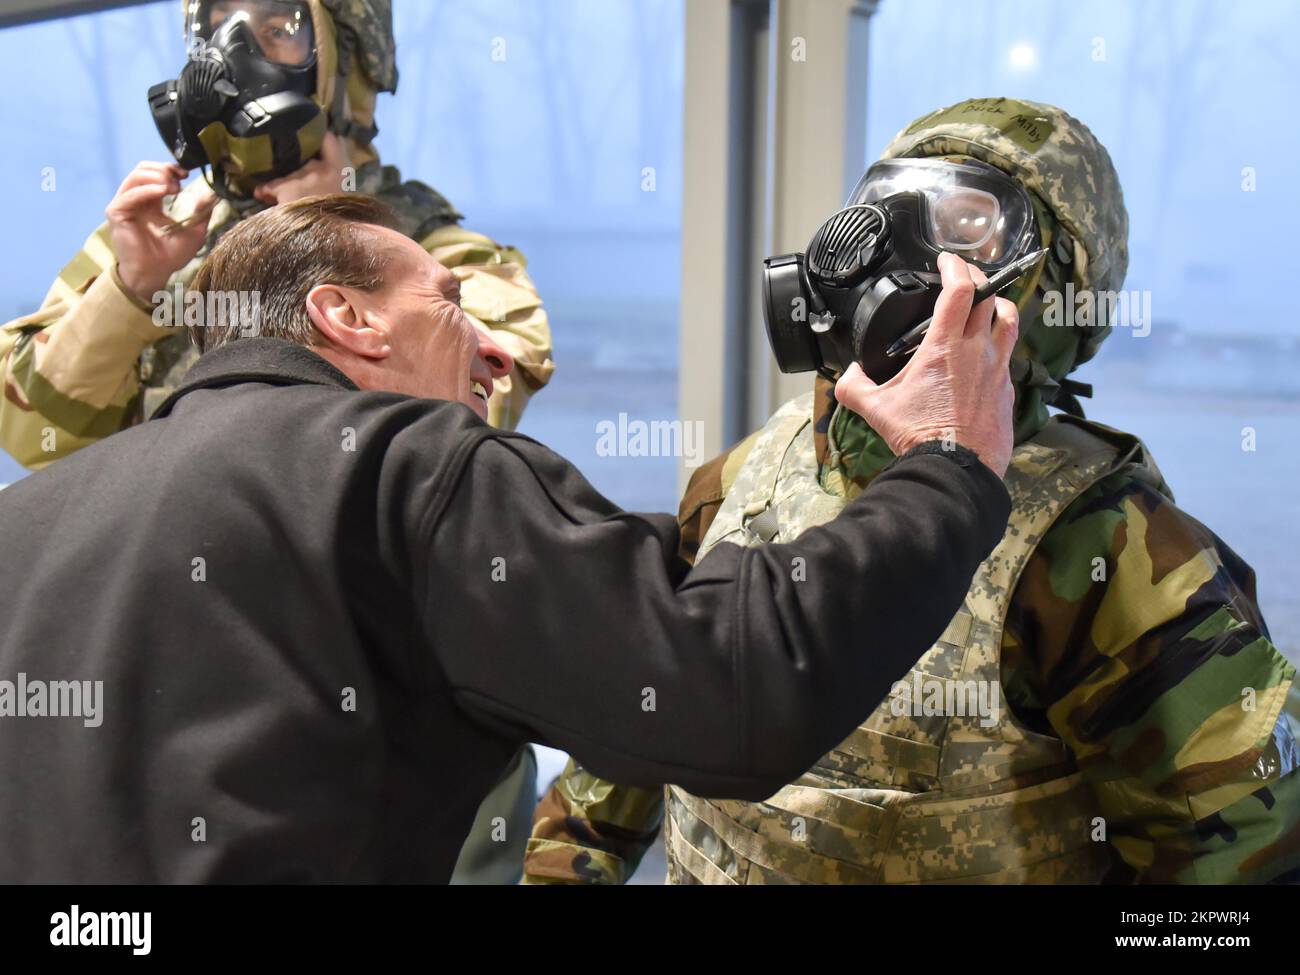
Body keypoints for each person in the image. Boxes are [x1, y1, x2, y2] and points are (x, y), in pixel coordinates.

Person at [0, 193, 1016, 883]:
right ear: (346, 316)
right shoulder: (401, 462)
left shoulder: (30, 519)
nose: (495, 349)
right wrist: (945, 470)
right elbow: (721, 695)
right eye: (446, 302)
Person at [524, 97, 1300, 886]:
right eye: (886, 206)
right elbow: (620, 747)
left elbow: (1230, 866)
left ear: (1049, 297)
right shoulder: (740, 479)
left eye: (963, 225)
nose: (879, 246)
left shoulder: (1111, 552)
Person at [0, 0, 553, 884]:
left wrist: (332, 244)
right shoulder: (159, 242)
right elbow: (32, 432)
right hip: (170, 672)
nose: (236, 52)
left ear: (350, 58)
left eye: (276, 26)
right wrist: (131, 286)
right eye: (218, 27)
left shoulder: (442, 259)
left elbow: (462, 432)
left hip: (373, 690)